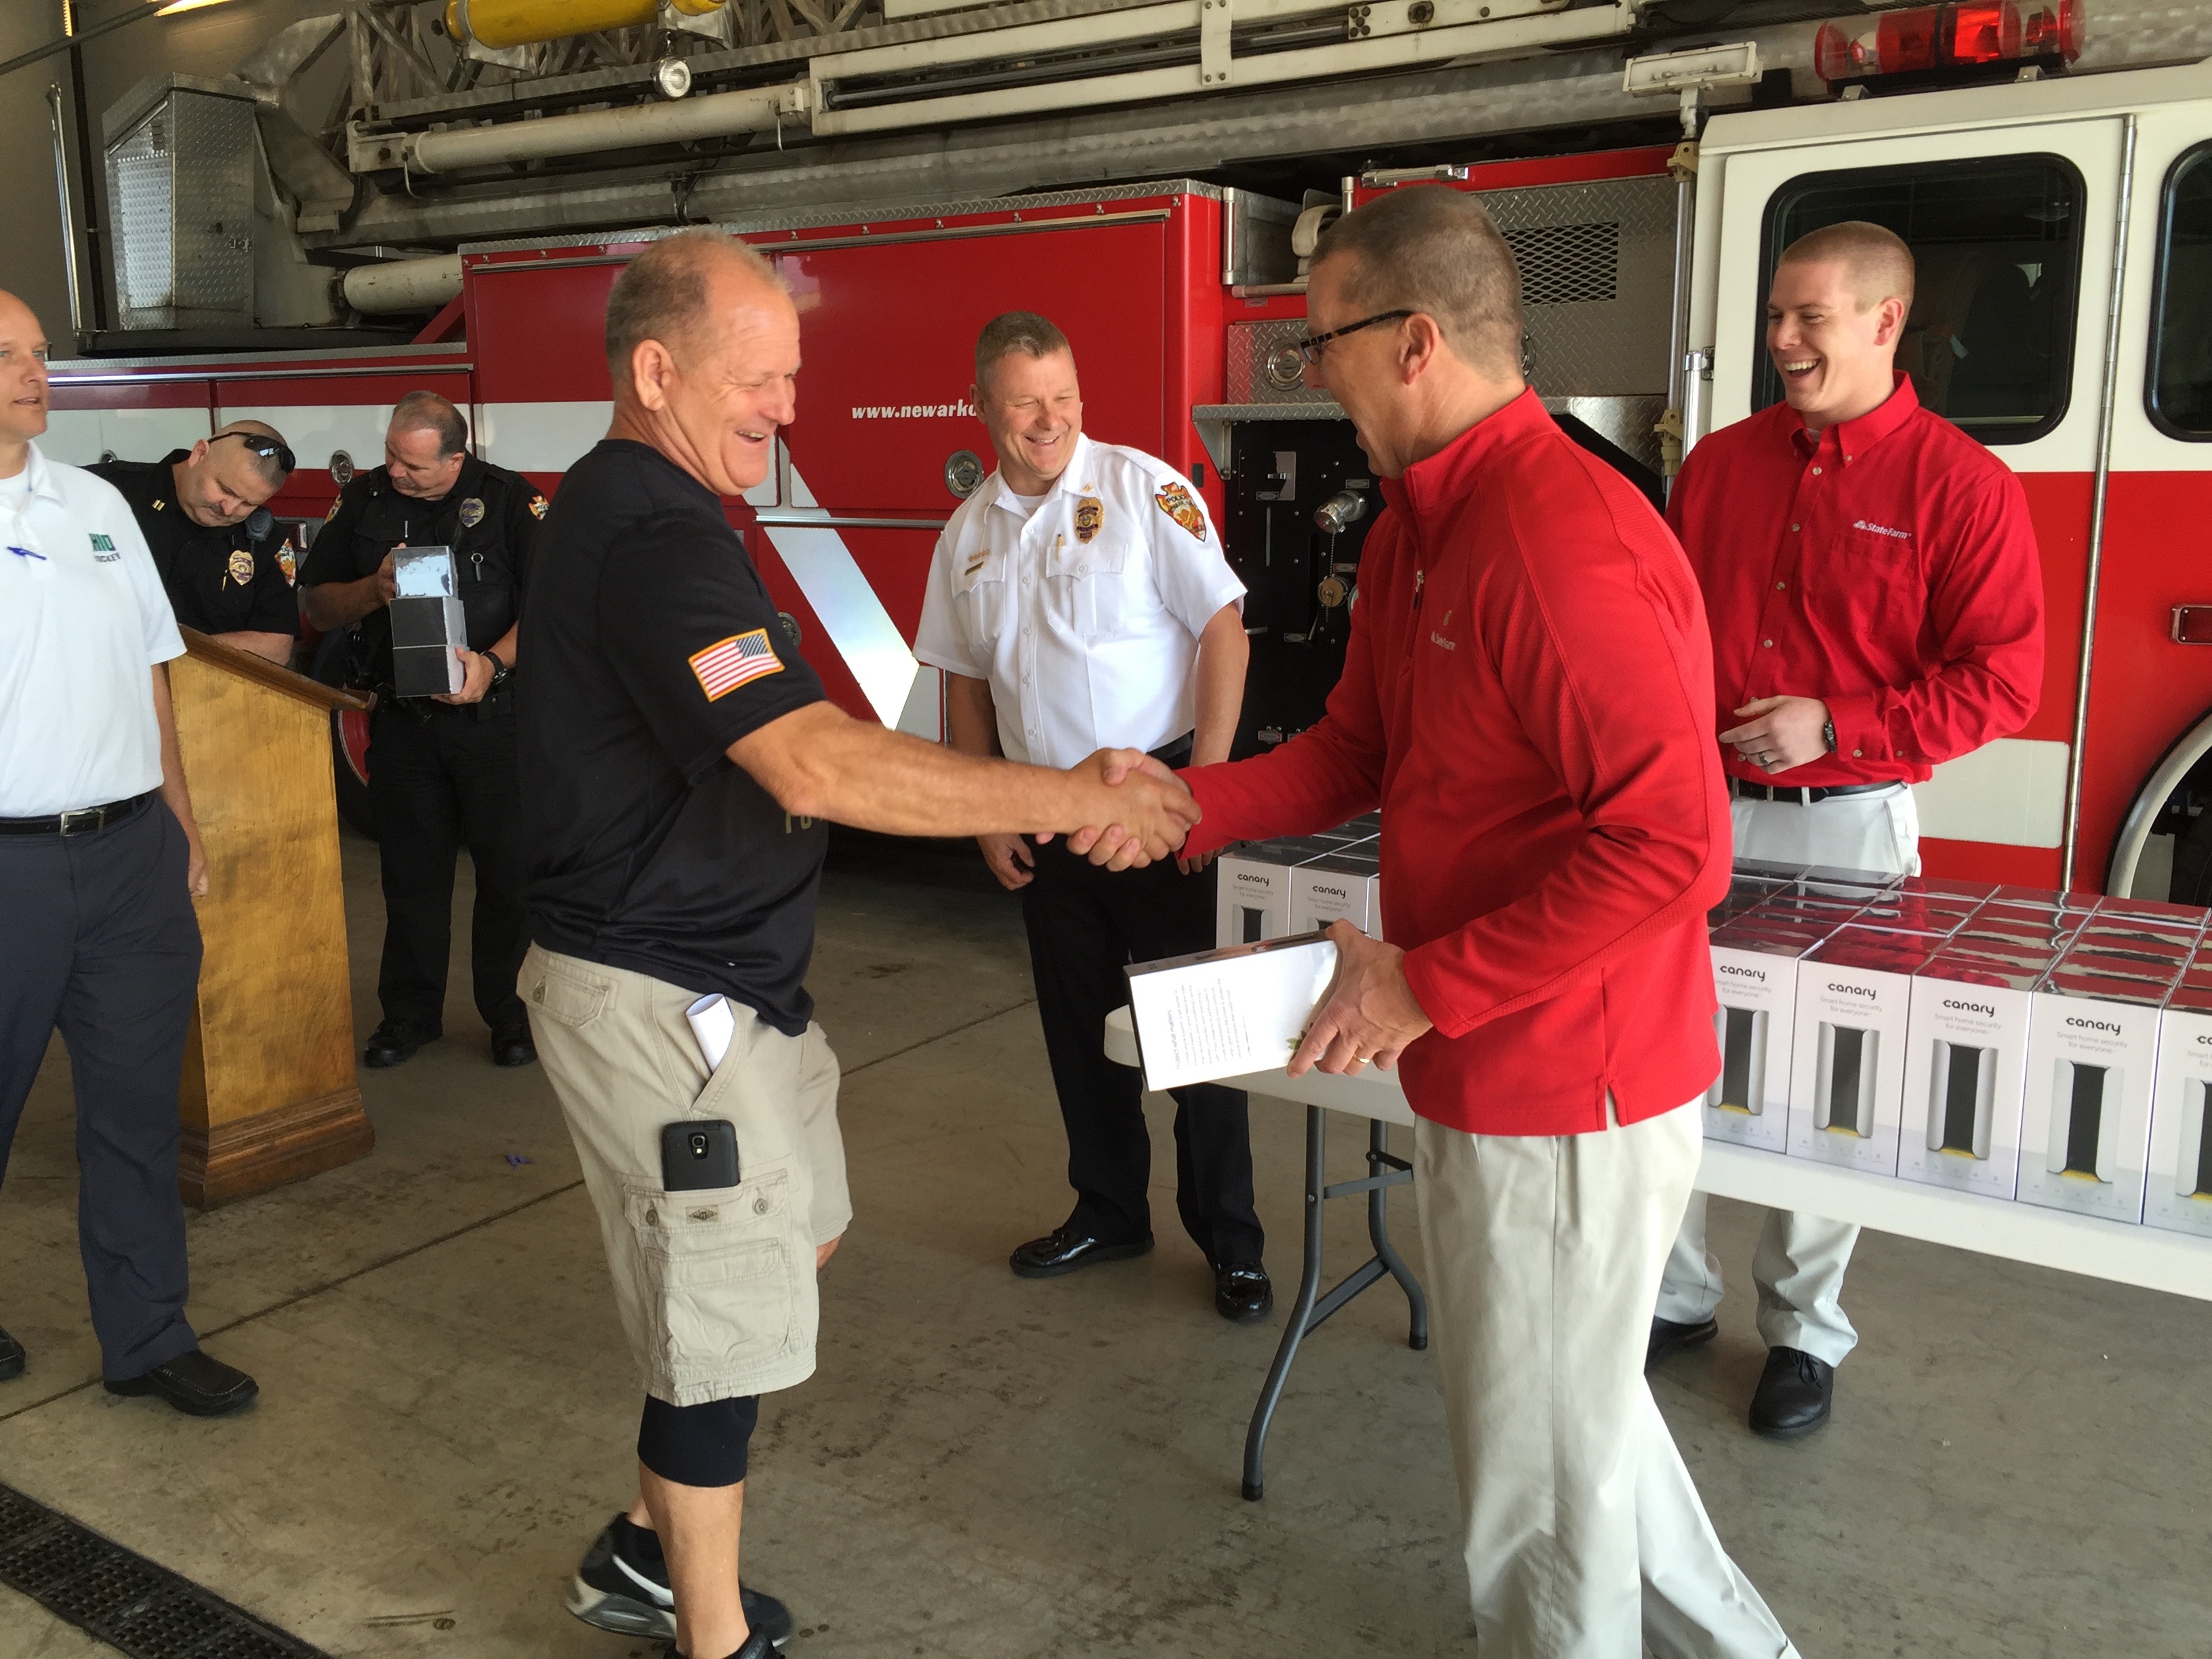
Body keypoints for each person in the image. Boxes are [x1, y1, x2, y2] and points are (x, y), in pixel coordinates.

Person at [519, 230, 1198, 1659]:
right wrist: (1071, 796)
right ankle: (703, 1629)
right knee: (723, 1309)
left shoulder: (675, 514)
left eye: (795, 380)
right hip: (661, 994)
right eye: (761, 381)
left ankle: (649, 1542)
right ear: (657, 372)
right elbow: (813, 763)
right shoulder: (648, 530)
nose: (788, 410)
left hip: (739, 989)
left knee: (798, 1235)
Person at [1170, 189, 1801, 1659]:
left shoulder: (1561, 538)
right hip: (1484, 1059)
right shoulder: (1415, 532)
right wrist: (1179, 806)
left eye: (1317, 340)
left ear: (1413, 341)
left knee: (1537, 1472)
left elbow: (1674, 847)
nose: (1303, 371)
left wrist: (1424, 986)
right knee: (1582, 1418)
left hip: (1569, 1089)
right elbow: (1356, 752)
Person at [1649, 221, 2044, 1438]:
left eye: (1806, 317)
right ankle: (1670, 1300)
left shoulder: (1959, 487)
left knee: (1824, 1084)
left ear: (1883, 322)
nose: (1779, 340)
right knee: (1671, 1055)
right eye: (1774, 315)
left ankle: (1802, 1336)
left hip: (1850, 826)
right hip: (1698, 816)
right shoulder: (1716, 466)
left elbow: (2004, 680)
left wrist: (1841, 722)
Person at [913, 311, 1271, 1321]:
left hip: (1156, 805)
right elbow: (967, 686)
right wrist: (984, 812)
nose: (1050, 418)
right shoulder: (967, 533)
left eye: (1064, 395)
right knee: (1079, 1030)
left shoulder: (1144, 489)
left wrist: (1207, 788)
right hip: (1042, 810)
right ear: (983, 406)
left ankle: (1230, 1239)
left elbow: (1223, 631)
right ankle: (1110, 1210)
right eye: (1026, 401)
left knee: (1198, 1031)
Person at [0, 289, 258, 1416]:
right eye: (5, 355)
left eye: (40, 354)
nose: (33, 372)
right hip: (7, 871)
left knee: (134, 1112)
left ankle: (147, 1334)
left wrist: (180, 811)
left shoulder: (97, 504)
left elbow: (153, 666)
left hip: (128, 861)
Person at [299, 392, 546, 1071]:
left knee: (508, 877)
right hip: (405, 723)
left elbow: (553, 606)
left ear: (456, 456)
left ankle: (512, 1018)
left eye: (412, 465)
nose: (396, 474)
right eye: (391, 458)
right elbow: (317, 606)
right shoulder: (367, 502)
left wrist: (492, 664)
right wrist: (372, 591)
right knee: (410, 877)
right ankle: (409, 1016)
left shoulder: (510, 502)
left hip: (495, 721)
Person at [89, 422, 302, 666]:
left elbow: (275, 647)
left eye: (248, 503)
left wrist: (165, 650)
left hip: (206, 692)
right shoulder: (103, 494)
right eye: (225, 489)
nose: (229, 509)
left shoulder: (265, 538)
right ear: (199, 453)